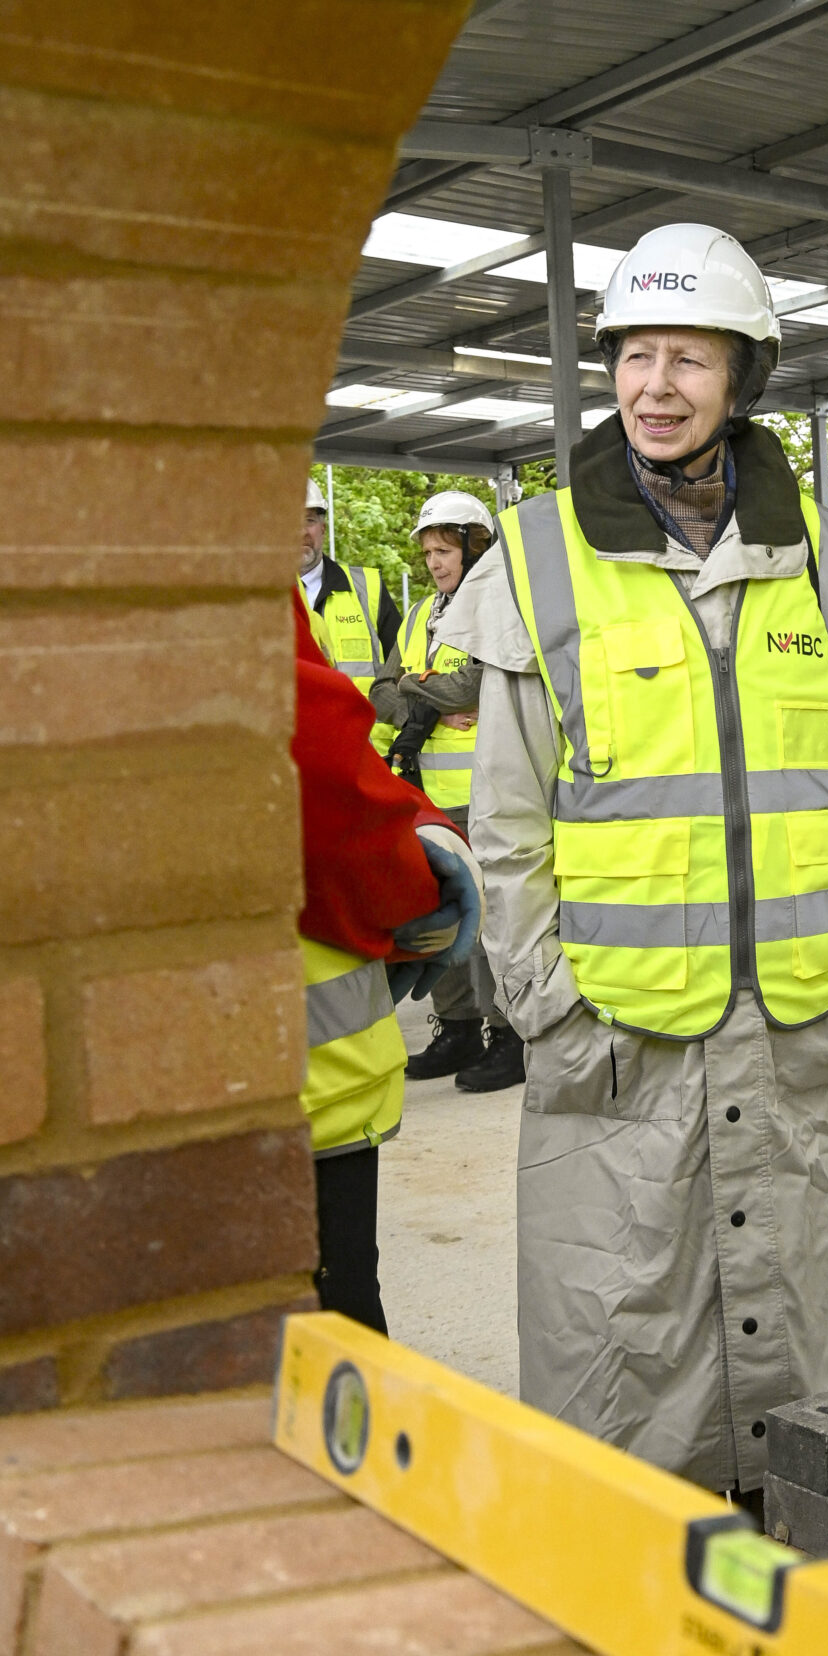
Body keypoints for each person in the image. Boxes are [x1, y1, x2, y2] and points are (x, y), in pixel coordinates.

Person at [440, 223, 828, 1497]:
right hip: (620, 1045)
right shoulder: (538, 557)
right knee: (628, 1357)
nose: (655, 387)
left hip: (803, 1026)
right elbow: (508, 822)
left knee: (817, 1343)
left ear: (743, 374)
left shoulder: (826, 555)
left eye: (688, 359)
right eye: (634, 356)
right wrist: (542, 1000)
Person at [290, 596, 483, 1331]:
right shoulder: (182, 516)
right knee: (330, 1350)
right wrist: (413, 862)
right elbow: (310, 741)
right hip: (303, 1094)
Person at [369, 491, 525, 1096]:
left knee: (493, 924)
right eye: (429, 551)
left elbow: (474, 685)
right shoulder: (417, 617)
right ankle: (457, 1025)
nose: (435, 562)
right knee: (443, 915)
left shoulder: (497, 608)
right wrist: (424, 689)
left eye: (444, 549)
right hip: (426, 799)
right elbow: (384, 691)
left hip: (487, 793)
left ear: (474, 545)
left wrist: (419, 689)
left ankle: (505, 1034)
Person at [296, 477, 399, 736]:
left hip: (367, 754)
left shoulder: (368, 588)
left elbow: (407, 670)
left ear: (323, 526)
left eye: (308, 520)